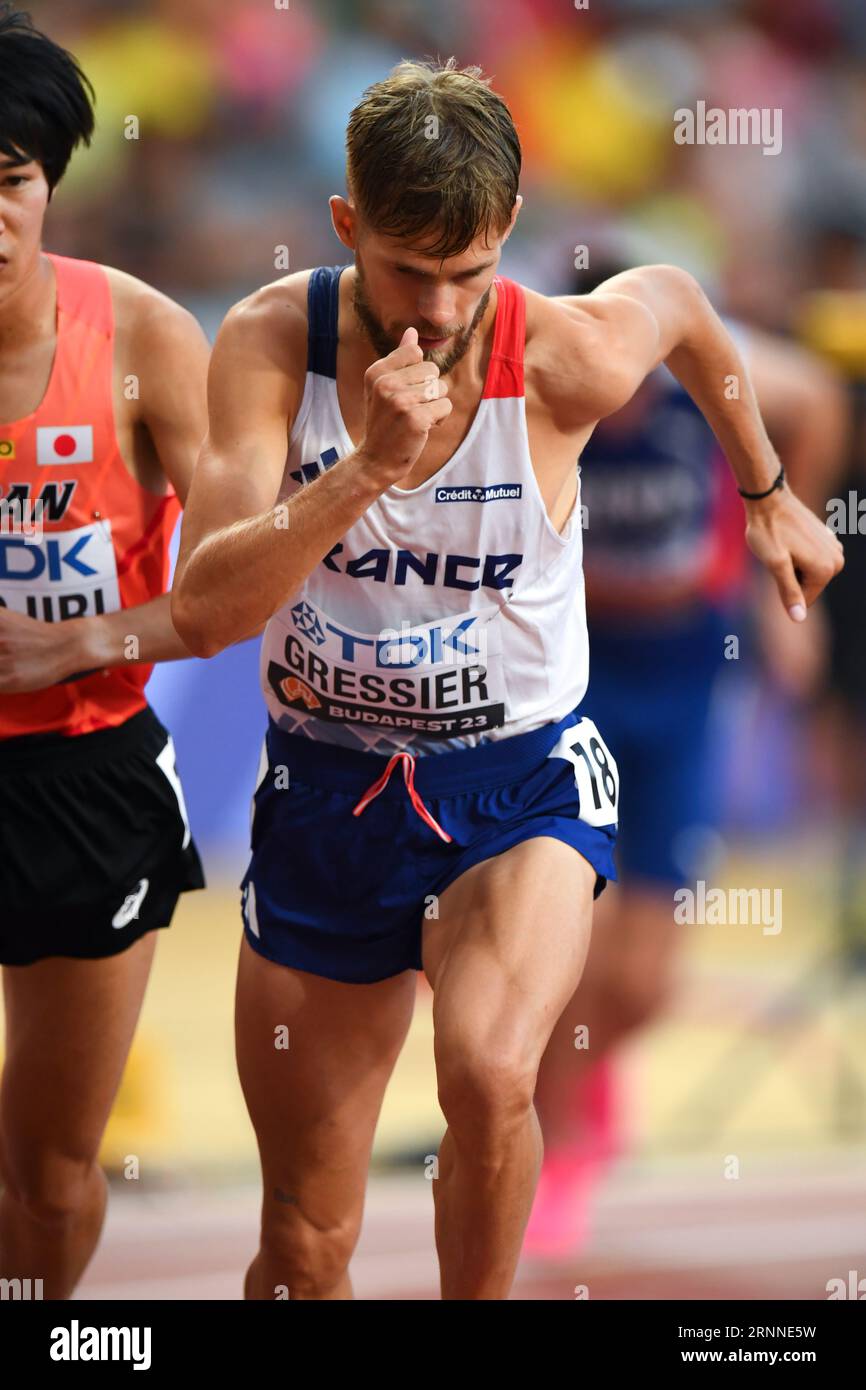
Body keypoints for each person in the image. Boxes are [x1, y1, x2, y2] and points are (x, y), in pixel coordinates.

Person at [171, 57, 843, 1301]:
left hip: (518, 779)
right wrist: (364, 470)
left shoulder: (563, 356)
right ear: (342, 227)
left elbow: (684, 307)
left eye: (467, 274)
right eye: (402, 269)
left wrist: (765, 493)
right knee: (305, 1247)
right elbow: (208, 612)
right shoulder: (273, 341)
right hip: (326, 792)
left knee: (485, 1071)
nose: (433, 311)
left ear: (510, 237)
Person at [526, 254, 849, 1257]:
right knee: (560, 957)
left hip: (686, 681)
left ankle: (583, 1078)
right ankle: (560, 1139)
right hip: (570, 686)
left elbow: (822, 401)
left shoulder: (715, 372)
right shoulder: (543, 373)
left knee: (644, 985)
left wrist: (773, 551)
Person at [0, 6, 208, 1299]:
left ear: (46, 184)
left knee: (52, 1167)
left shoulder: (144, 339)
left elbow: (243, 576)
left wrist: (83, 638)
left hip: (84, 778)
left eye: (8, 184)